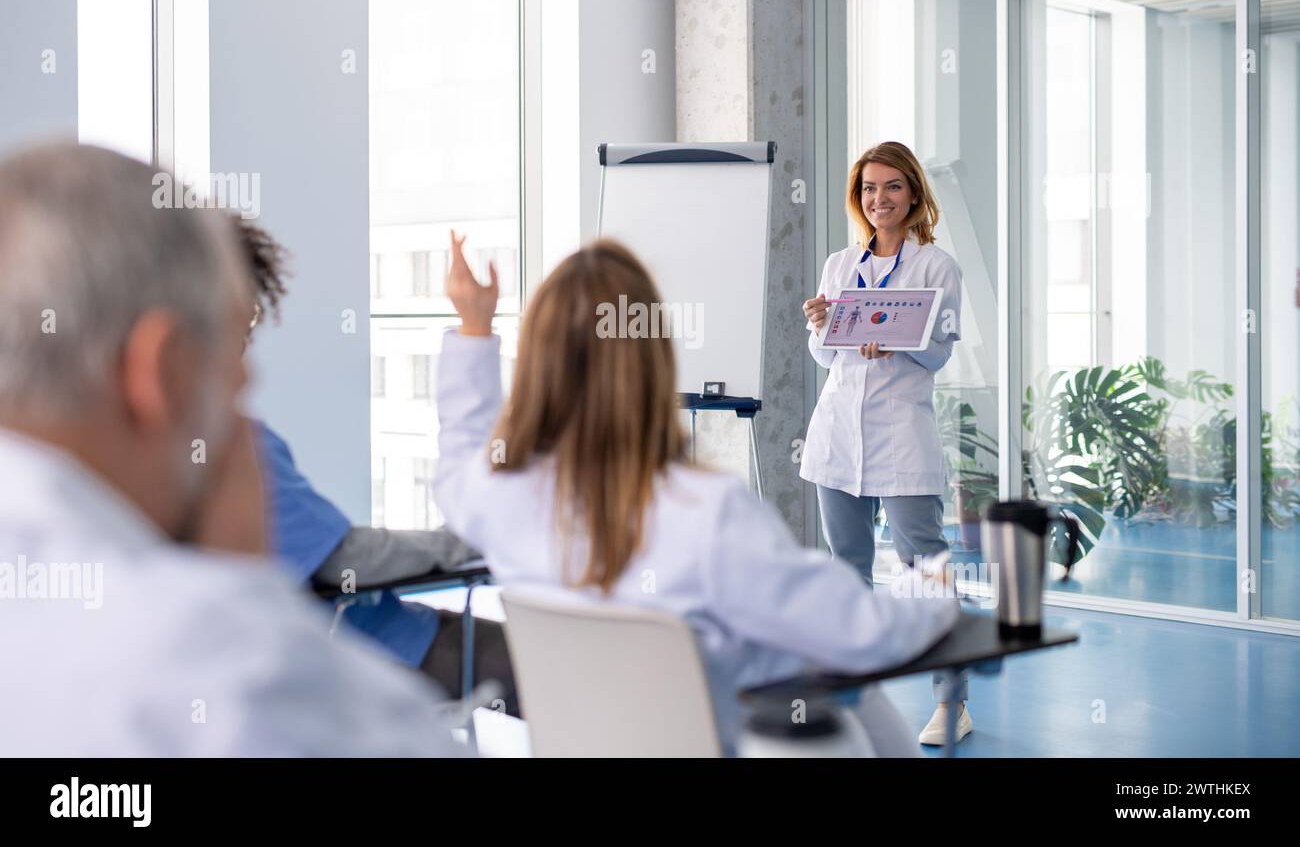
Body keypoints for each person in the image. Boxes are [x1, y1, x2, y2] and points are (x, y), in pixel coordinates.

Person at [0, 142, 459, 755]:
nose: (246, 382)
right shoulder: (223, 672)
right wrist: (242, 593)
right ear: (158, 370)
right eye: (230, 350)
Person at [433, 230, 959, 755]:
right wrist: (930, 589)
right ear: (653, 359)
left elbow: (460, 451)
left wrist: (474, 328)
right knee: (848, 697)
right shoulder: (703, 514)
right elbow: (861, 633)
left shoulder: (495, 498)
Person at [232, 219, 517, 714]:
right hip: (373, 648)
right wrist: (469, 544)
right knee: (575, 675)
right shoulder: (231, 443)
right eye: (243, 318)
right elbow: (348, 561)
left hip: (308, 659)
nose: (246, 350)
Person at [800, 140, 970, 746]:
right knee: (847, 571)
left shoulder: (936, 267)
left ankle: (952, 703)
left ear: (914, 194)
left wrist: (900, 340)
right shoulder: (839, 264)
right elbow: (828, 355)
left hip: (901, 434)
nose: (880, 199)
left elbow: (939, 351)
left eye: (892, 187)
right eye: (869, 189)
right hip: (839, 436)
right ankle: (854, 695)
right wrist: (822, 324)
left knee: (926, 570)